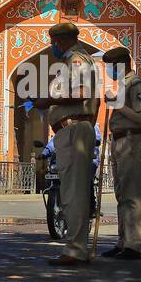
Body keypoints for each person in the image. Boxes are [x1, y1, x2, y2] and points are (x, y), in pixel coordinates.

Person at [31, 21, 100, 266]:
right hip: (75, 128)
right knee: (74, 190)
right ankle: (77, 247)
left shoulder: (77, 60)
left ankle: (75, 249)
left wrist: (47, 99)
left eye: (53, 43)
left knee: (72, 192)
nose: (52, 48)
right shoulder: (80, 60)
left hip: (73, 130)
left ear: (59, 41)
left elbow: (82, 92)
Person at [101, 45, 141, 260]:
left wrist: (117, 104)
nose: (109, 70)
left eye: (111, 66)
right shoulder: (122, 85)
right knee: (121, 195)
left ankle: (133, 244)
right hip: (119, 141)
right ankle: (123, 241)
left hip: (132, 140)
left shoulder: (136, 85)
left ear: (120, 65)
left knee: (131, 195)